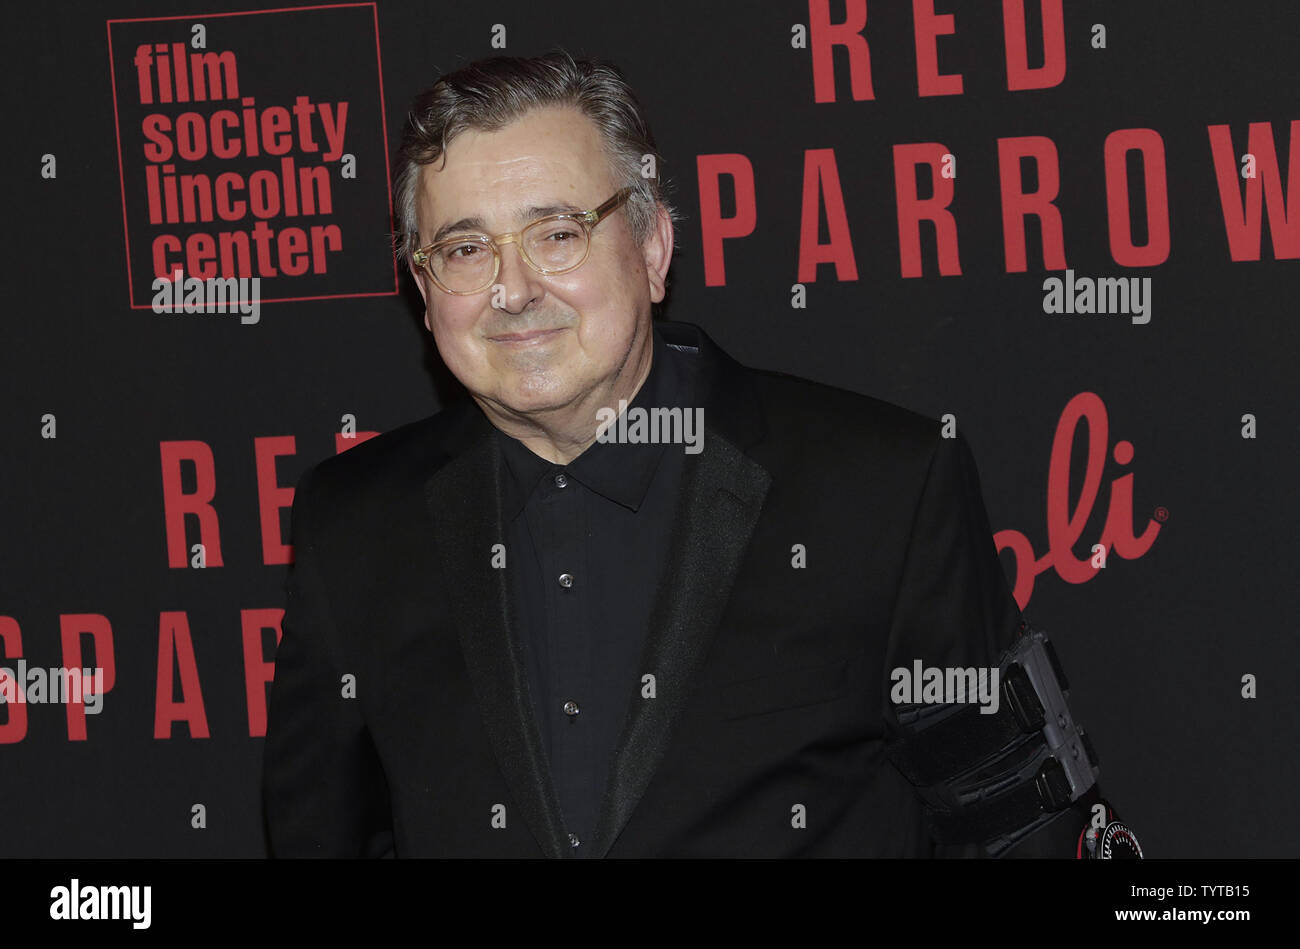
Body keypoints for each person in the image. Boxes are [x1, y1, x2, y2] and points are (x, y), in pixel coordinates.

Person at [261, 50, 1125, 858]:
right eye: (464, 248)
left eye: (557, 232)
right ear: (422, 287)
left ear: (652, 248)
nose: (513, 289)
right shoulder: (354, 525)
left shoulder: (881, 491)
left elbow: (1026, 830)